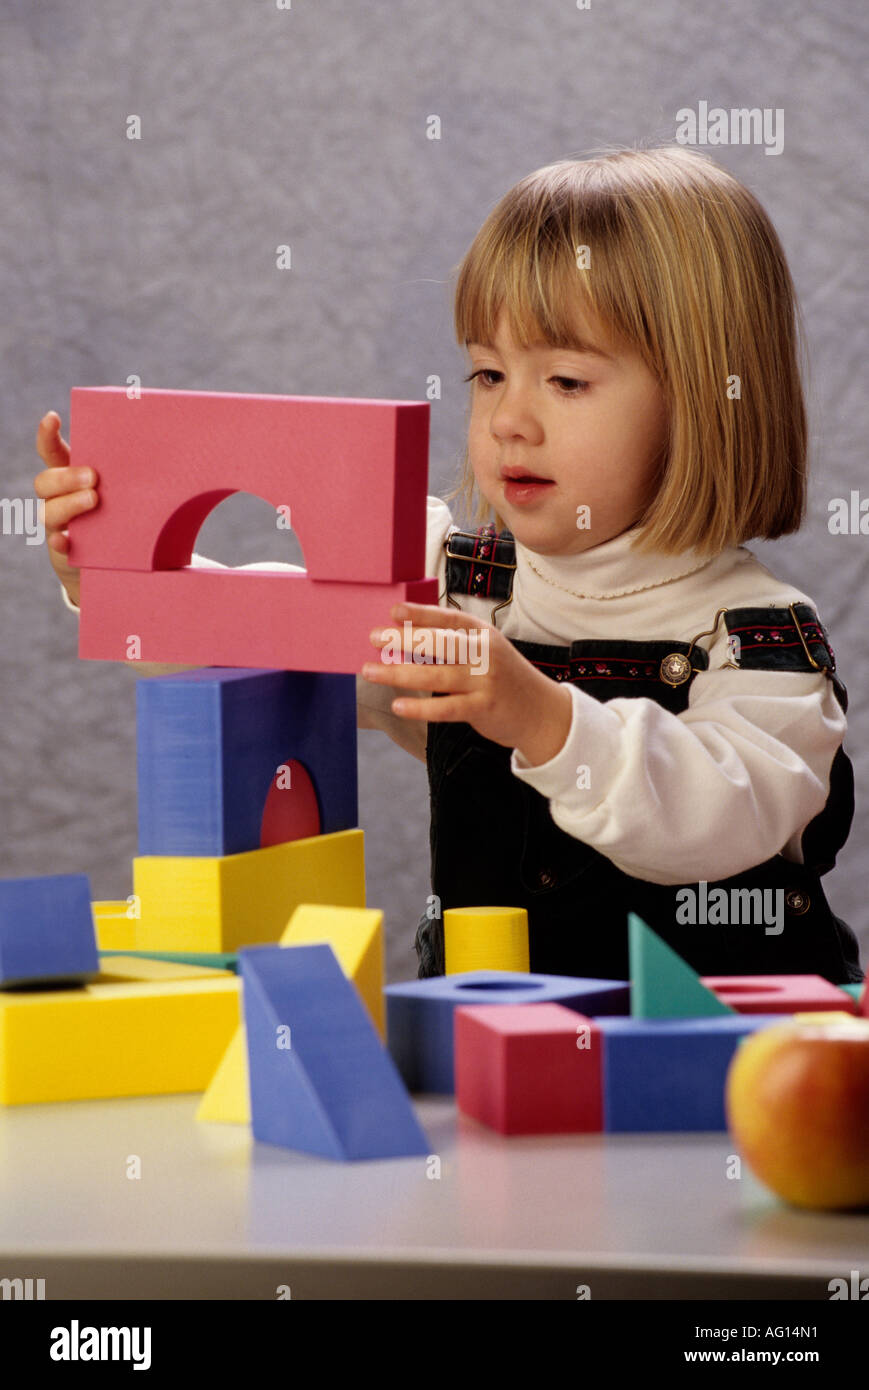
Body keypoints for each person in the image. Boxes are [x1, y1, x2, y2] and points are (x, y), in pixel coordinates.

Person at [35, 144, 863, 987]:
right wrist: (119, 582)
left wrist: (540, 717)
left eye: (565, 381)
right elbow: (275, 638)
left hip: (729, 1045)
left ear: (704, 402)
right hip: (490, 1027)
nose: (508, 419)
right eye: (489, 373)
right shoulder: (457, 587)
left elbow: (716, 819)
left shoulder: (755, 639)